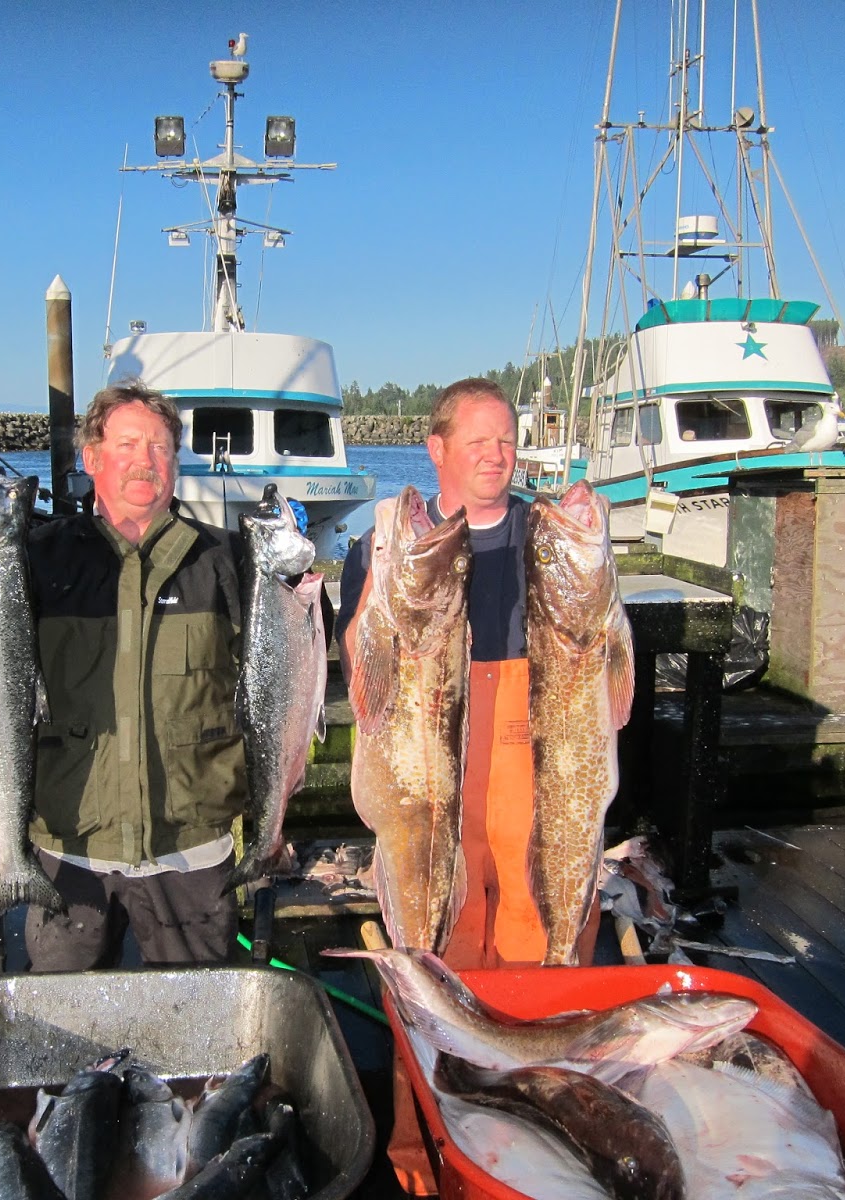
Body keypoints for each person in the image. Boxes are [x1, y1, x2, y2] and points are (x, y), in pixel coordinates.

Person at [338, 377, 597, 1194]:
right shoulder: (384, 550)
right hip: (431, 777)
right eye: (478, 440)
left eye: (507, 438)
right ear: (437, 448)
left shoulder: (548, 537)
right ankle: (425, 1153)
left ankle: (537, 1153)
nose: (497, 454)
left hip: (534, 768)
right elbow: (364, 684)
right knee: (434, 966)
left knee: (541, 961)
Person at [22, 380, 247, 971]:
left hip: (191, 852)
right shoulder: (37, 559)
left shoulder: (228, 561)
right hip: (70, 851)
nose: (146, 461)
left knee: (196, 1041)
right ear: (92, 457)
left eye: (161, 448)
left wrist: (305, 588)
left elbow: (297, 654)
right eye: (128, 445)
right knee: (62, 1036)